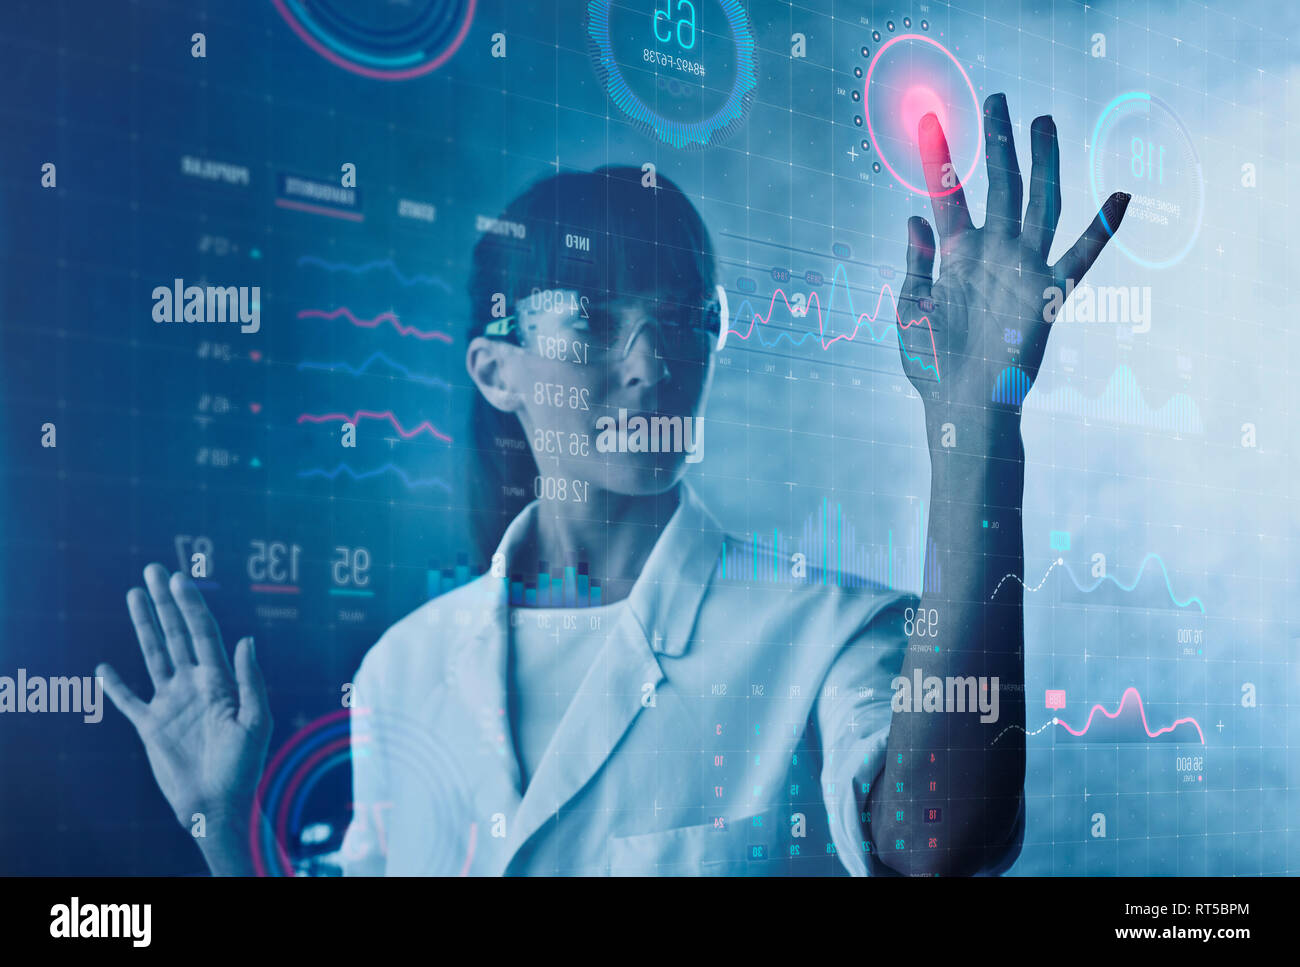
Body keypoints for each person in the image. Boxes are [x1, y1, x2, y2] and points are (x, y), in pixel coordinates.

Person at [97, 96, 1129, 876]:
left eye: (681, 316)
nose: (649, 360)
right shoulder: (400, 673)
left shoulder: (833, 636)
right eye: (590, 319)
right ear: (494, 371)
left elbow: (943, 841)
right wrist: (224, 836)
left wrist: (973, 425)